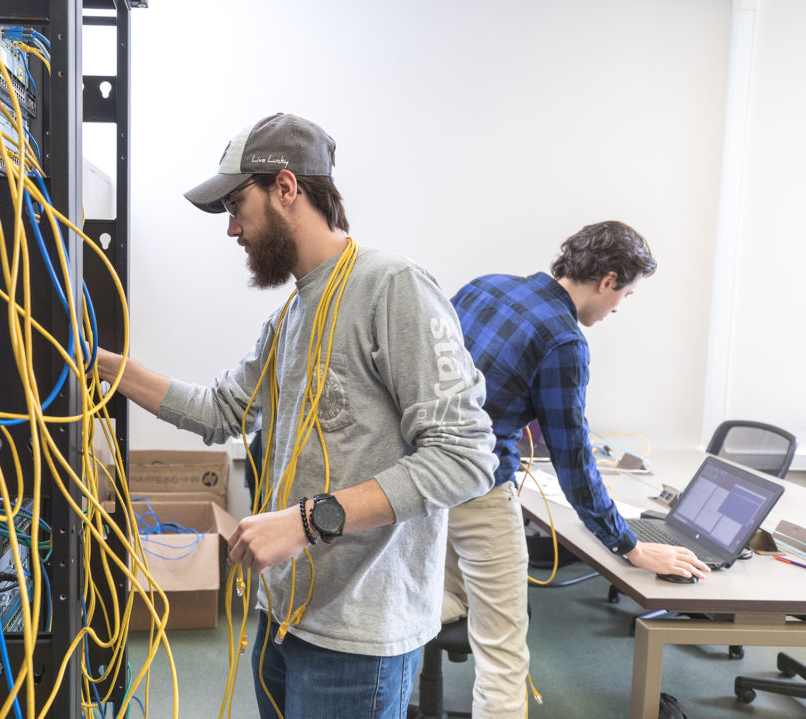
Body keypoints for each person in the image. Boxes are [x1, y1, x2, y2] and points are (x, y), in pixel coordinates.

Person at [95, 113, 499, 719]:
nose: (232, 229)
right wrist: (101, 365)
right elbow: (220, 410)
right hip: (285, 616)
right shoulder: (288, 319)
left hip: (358, 638)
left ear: (287, 189)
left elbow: (465, 458)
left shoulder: (393, 288)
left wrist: (307, 521)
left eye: (237, 206)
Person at [443, 224, 712, 699]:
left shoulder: (484, 286)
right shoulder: (564, 340)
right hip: (476, 487)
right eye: (624, 294)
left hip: (420, 474)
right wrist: (629, 545)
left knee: (444, 592)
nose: (617, 309)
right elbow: (573, 463)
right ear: (607, 280)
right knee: (504, 647)